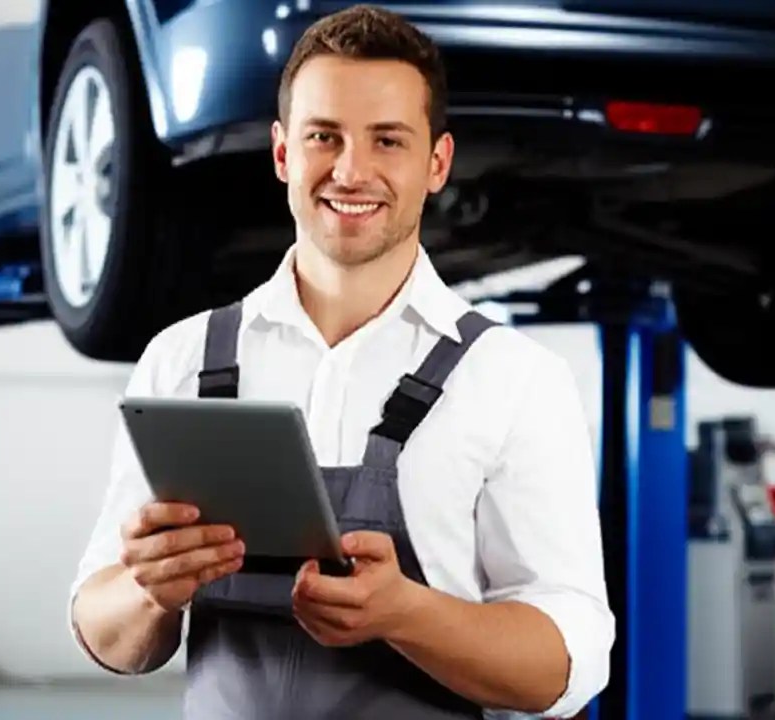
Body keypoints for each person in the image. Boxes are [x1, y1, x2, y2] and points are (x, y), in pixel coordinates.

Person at [68, 5, 613, 718]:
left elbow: (567, 668)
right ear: (283, 153)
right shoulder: (182, 360)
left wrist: (405, 615)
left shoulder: (514, 380)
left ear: (437, 163)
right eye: (324, 136)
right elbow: (101, 631)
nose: (351, 170)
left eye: (388, 141)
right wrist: (150, 590)